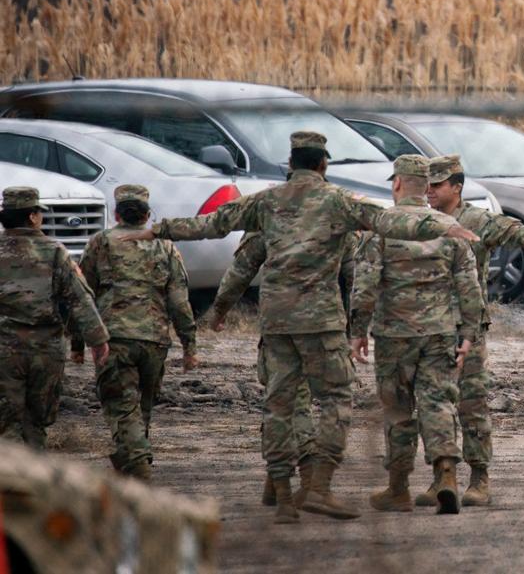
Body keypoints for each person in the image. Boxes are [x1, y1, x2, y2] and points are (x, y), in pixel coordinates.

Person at [114, 131, 477, 524]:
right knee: (336, 400)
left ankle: (284, 495)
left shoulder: (266, 202)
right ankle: (319, 486)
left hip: (277, 320)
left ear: (291, 163)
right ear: (324, 165)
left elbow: (214, 223)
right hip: (321, 321)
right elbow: (386, 221)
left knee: (279, 405)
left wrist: (160, 230)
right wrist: (440, 227)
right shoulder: (338, 201)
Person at [352, 154, 483, 515]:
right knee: (438, 403)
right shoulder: (448, 227)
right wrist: (469, 333)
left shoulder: (382, 227)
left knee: (398, 410)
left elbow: (364, 285)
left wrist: (357, 331)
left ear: (397, 184)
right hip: (440, 332)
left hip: (394, 335)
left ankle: (397, 488)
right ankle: (446, 476)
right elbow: (469, 289)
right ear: (427, 187)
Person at [422, 153, 524, 508]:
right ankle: (441, 476)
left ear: (457, 187)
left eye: (437, 185)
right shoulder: (422, 221)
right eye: (427, 185)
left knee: (471, 402)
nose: (430, 191)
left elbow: (510, 229)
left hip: (468, 326)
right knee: (434, 405)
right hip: (428, 326)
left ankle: (479, 477)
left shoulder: (475, 220)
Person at [209, 230, 360, 508]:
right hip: (324, 329)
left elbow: (240, 271)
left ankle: (301, 475)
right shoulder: (338, 221)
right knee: (327, 402)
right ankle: (283, 481)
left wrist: (219, 310)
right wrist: (355, 331)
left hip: (281, 329)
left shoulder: (269, 219)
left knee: (285, 403)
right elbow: (355, 280)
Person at [78, 185, 196, 480]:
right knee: (141, 406)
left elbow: (81, 295)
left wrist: (77, 342)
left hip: (113, 337)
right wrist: (189, 345)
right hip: (154, 340)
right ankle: (129, 462)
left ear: (117, 213)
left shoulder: (100, 242)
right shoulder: (165, 246)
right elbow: (180, 302)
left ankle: (139, 465)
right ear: (146, 214)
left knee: (122, 405)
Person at [0, 186, 109, 448]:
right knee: (36, 423)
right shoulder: (54, 251)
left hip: (3, 348)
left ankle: (9, 480)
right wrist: (97, 340)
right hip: (45, 349)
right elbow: (79, 299)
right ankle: (35, 481)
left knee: (5, 423)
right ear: (32, 217)